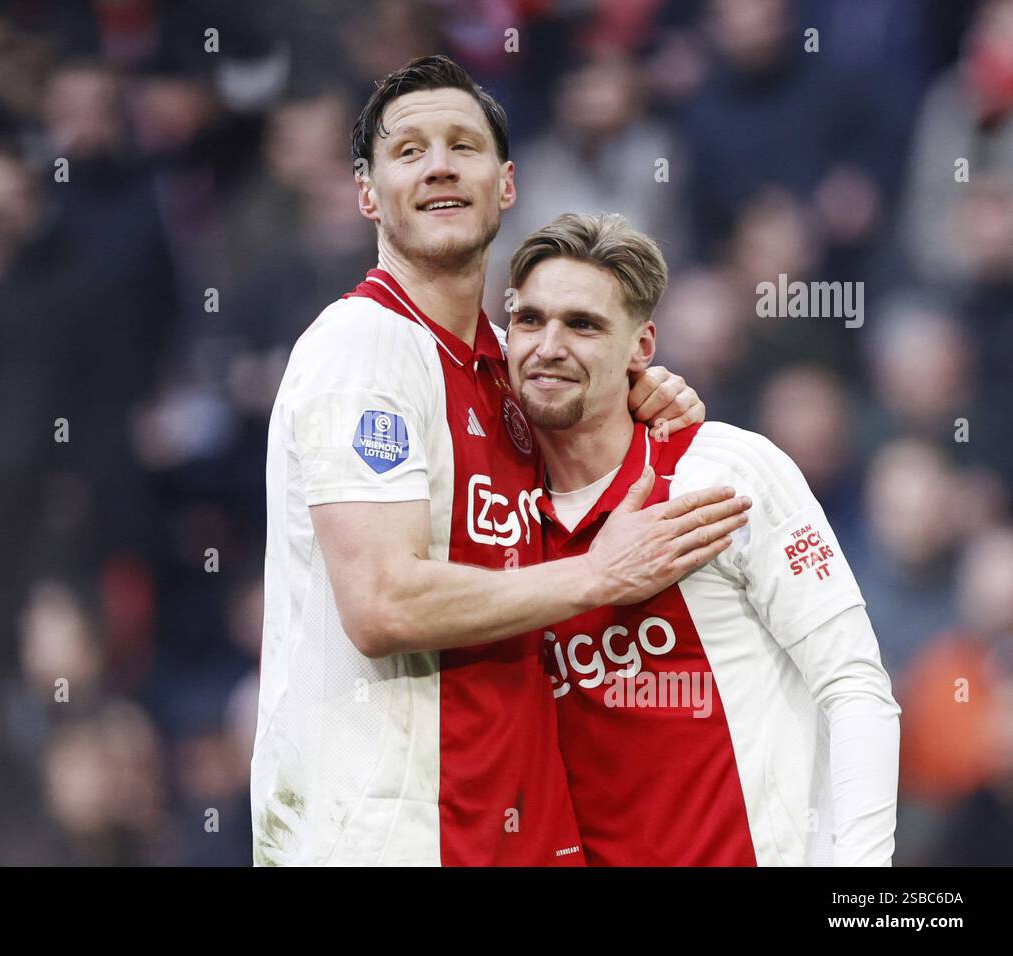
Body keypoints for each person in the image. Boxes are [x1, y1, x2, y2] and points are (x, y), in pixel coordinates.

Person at [252, 56, 751, 867]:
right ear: (366, 194)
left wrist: (650, 401)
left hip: (507, 832)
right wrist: (598, 576)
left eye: (463, 145)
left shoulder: (508, 377)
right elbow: (382, 604)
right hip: (389, 839)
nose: (440, 163)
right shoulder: (363, 347)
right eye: (409, 150)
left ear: (507, 184)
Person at [505, 211, 899, 865]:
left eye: (583, 324)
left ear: (641, 346)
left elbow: (855, 685)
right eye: (530, 319)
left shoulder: (726, 471)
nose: (548, 345)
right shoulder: (491, 513)